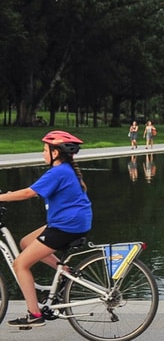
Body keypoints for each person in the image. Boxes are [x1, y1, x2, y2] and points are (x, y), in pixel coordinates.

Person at [0, 131, 92, 328]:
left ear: (56, 153)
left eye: (45, 150)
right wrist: (9, 195)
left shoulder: (58, 172)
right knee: (26, 243)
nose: (42, 153)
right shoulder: (65, 170)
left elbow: (28, 193)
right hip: (71, 222)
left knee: (20, 265)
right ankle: (66, 272)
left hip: (66, 225)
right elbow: (34, 191)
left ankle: (34, 314)